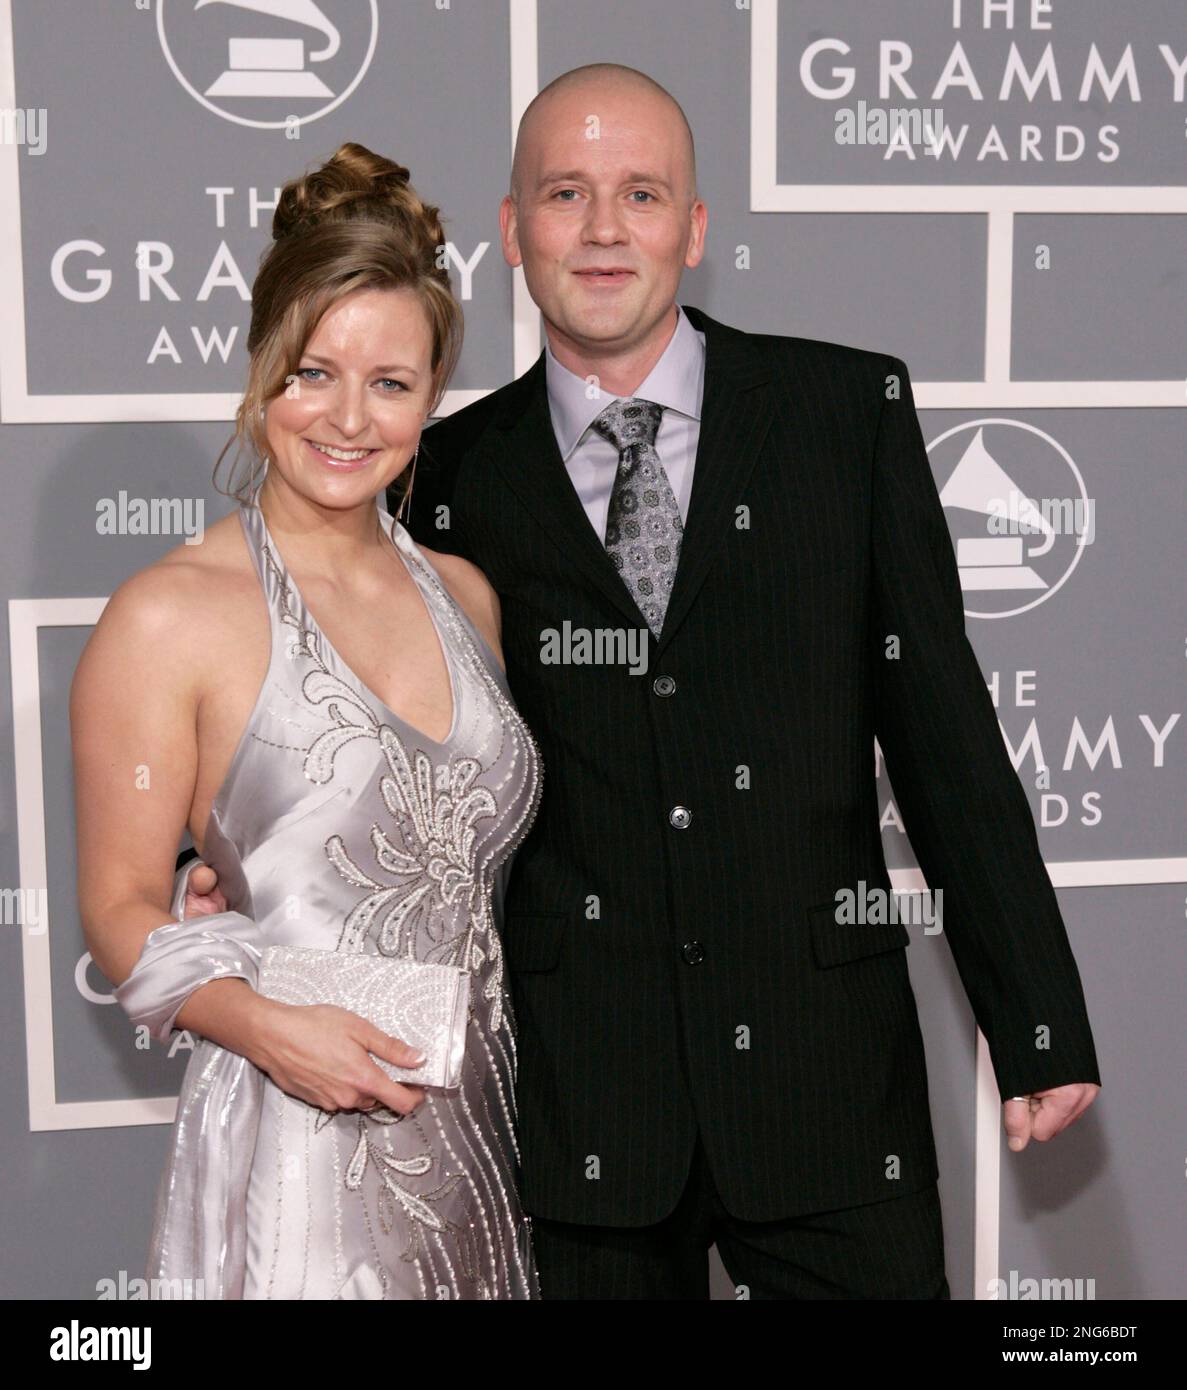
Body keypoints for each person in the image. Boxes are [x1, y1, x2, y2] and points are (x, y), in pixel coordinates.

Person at [182, 66, 1102, 1300]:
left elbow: (943, 732)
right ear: (513, 234)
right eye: (565, 194)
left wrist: (1032, 1010)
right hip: (577, 1104)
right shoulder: (439, 470)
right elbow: (371, 730)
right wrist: (240, 863)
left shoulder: (843, 411)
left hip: (826, 1091)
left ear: (694, 227)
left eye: (639, 194)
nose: (604, 229)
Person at [71, 143, 542, 1300]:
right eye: (312, 372)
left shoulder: (466, 594)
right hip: (299, 1146)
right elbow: (120, 906)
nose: (346, 418)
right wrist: (266, 1025)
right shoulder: (169, 614)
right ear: (260, 363)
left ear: (433, 394)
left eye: (390, 382)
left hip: (486, 1139)